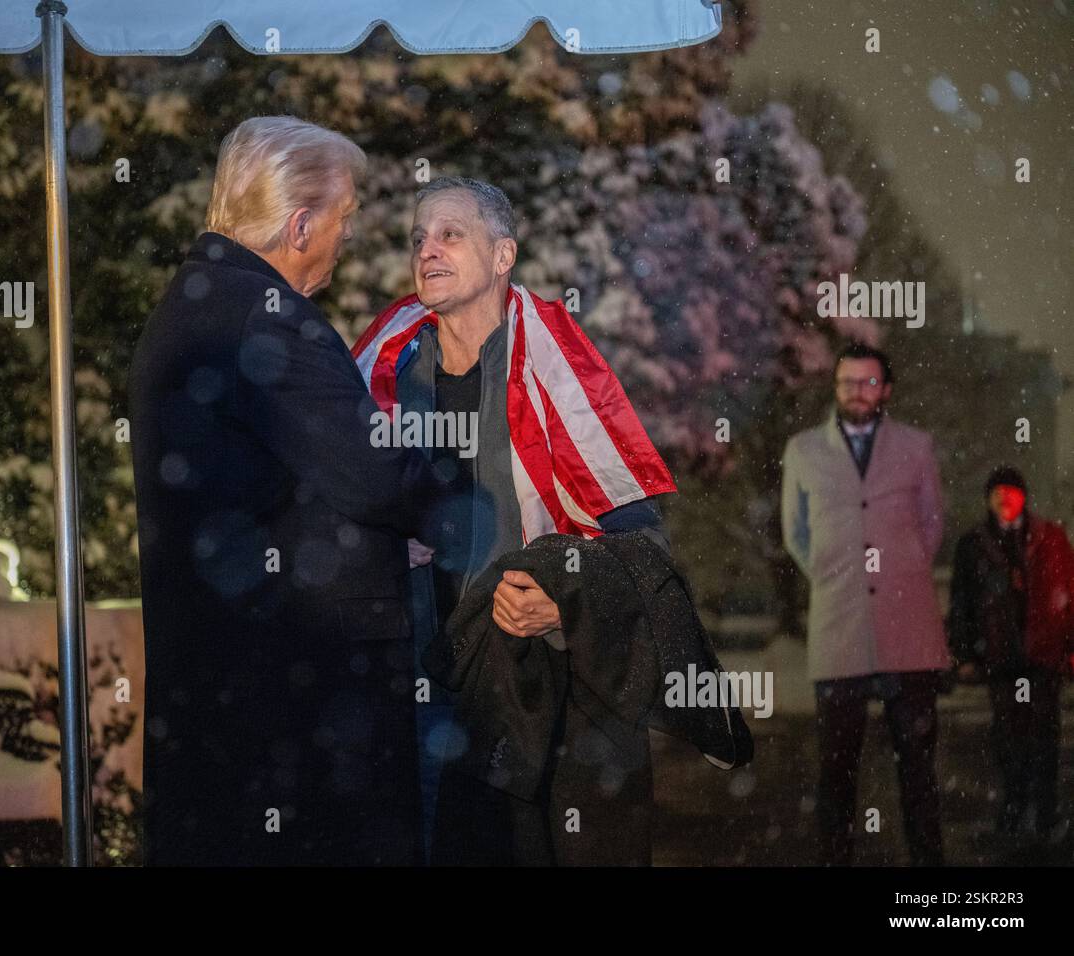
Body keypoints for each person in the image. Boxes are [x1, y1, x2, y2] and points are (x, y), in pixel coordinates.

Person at [353, 178, 750, 865]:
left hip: (556, 696)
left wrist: (564, 600)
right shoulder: (388, 375)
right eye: (418, 237)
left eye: (451, 234)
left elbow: (641, 545)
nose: (428, 250)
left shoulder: (559, 366)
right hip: (430, 695)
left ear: (503, 255)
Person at [129, 117, 444, 865]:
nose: (348, 236)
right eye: (345, 216)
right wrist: (457, 484)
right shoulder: (266, 320)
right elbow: (374, 473)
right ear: (300, 223)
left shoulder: (193, 303)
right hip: (296, 699)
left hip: (228, 684)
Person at [781, 342, 950, 866]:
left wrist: (899, 570)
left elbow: (931, 525)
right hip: (839, 630)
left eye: (868, 382)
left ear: (887, 389)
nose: (858, 392)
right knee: (836, 771)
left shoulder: (917, 447)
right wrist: (839, 577)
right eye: (848, 382)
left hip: (909, 629)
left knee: (918, 770)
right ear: (835, 387)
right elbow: (796, 534)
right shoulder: (805, 449)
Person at [949, 464, 1074, 843]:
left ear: (1024, 497)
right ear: (988, 499)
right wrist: (965, 654)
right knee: (1008, 737)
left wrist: (1068, 649)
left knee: (1045, 737)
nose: (1005, 500)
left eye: (1012, 493)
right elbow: (962, 604)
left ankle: (1046, 812)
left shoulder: (1049, 538)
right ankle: (1015, 807)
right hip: (1002, 658)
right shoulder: (974, 545)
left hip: (1042, 656)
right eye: (998, 493)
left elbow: (1068, 596)